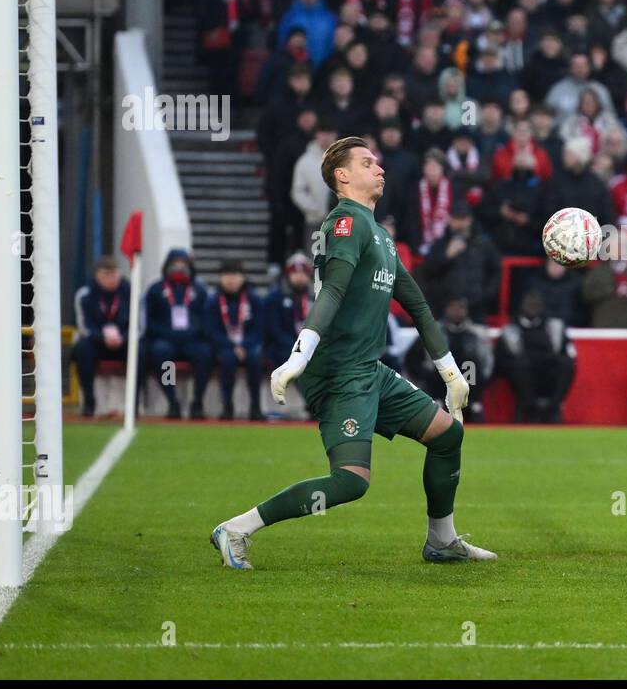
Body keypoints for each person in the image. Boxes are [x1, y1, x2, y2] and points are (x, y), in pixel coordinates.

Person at [210, 136, 496, 569]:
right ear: (342, 176)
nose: (380, 169)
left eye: (379, 162)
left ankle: (441, 539)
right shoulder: (344, 224)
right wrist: (300, 356)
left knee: (448, 437)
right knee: (350, 482)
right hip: (339, 371)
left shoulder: (378, 233)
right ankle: (237, 528)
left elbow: (416, 304)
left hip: (369, 369)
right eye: (367, 163)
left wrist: (451, 373)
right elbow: (334, 291)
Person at [143, 248, 213, 419]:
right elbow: (148, 321)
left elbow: (207, 318)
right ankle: (172, 400)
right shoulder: (155, 289)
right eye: (176, 264)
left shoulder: (200, 290)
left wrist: (194, 332)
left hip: (192, 340)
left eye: (183, 264)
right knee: (162, 354)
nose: (180, 268)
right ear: (168, 265)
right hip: (165, 339)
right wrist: (165, 333)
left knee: (205, 354)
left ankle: (197, 400)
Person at [496, 290, 577, 423]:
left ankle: (554, 407)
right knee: (518, 366)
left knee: (566, 364)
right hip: (522, 375)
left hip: (548, 372)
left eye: (536, 304)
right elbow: (501, 361)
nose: (533, 307)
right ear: (521, 306)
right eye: (529, 304)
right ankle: (528, 407)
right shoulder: (510, 329)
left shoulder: (554, 327)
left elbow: (568, 353)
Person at [205, 260, 266, 420]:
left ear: (242, 277)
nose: (230, 279)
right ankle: (227, 405)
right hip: (224, 345)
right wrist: (232, 346)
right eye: (226, 275)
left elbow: (259, 327)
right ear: (220, 278)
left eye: (235, 275)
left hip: (249, 344)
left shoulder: (254, 299)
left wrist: (244, 346)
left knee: (255, 358)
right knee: (227, 359)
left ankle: (256, 406)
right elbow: (211, 330)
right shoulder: (213, 301)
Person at [72, 256, 131, 417]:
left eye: (114, 274)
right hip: (97, 342)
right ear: (97, 276)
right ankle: (89, 401)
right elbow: (84, 326)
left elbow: (137, 325)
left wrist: (123, 338)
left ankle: (134, 403)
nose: (111, 279)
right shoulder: (85, 295)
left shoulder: (130, 292)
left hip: (123, 343)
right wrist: (102, 338)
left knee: (140, 349)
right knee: (82, 348)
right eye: (106, 275)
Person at [263, 251, 313, 370]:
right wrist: (296, 347)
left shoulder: (315, 297)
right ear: (288, 275)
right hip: (283, 347)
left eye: (303, 273)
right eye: (295, 273)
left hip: (310, 346)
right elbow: (274, 329)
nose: (299, 277)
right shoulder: (275, 297)